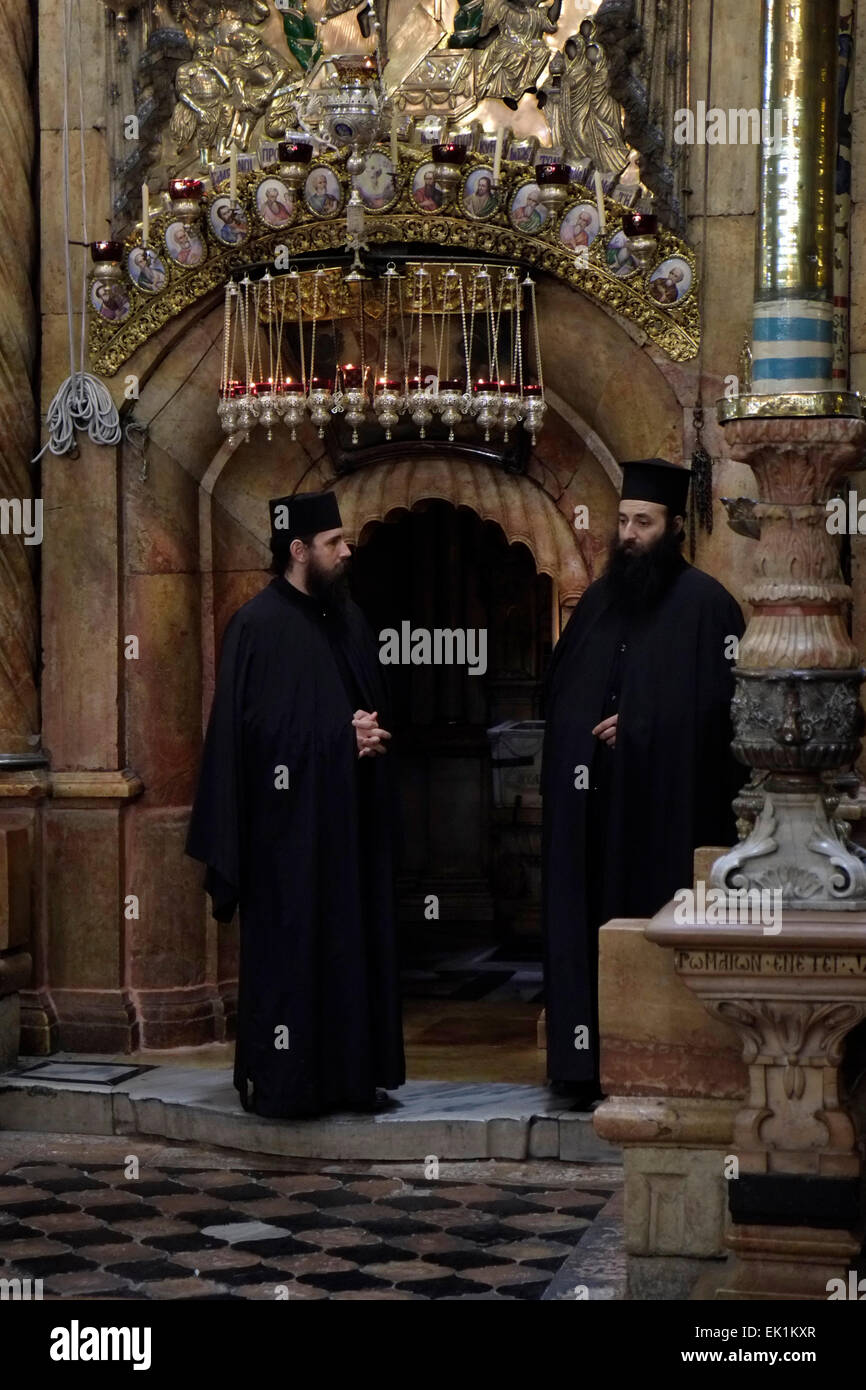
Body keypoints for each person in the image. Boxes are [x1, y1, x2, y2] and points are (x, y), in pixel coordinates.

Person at [186, 491, 405, 1119]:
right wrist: (341, 739)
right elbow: (247, 742)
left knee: (352, 945)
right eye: (335, 542)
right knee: (296, 952)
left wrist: (369, 733)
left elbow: (370, 704)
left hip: (349, 826)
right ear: (298, 550)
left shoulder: (350, 619)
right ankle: (286, 1083)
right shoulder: (256, 626)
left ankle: (351, 1078)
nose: (347, 550)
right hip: (286, 839)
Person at [540, 459, 746, 1108]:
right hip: (591, 818)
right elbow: (561, 695)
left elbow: (730, 718)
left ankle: (661, 1068)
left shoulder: (710, 608)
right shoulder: (599, 603)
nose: (628, 535)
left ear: (675, 527)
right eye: (623, 521)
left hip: (662, 818)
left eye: (644, 523)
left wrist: (643, 726)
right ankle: (582, 1070)